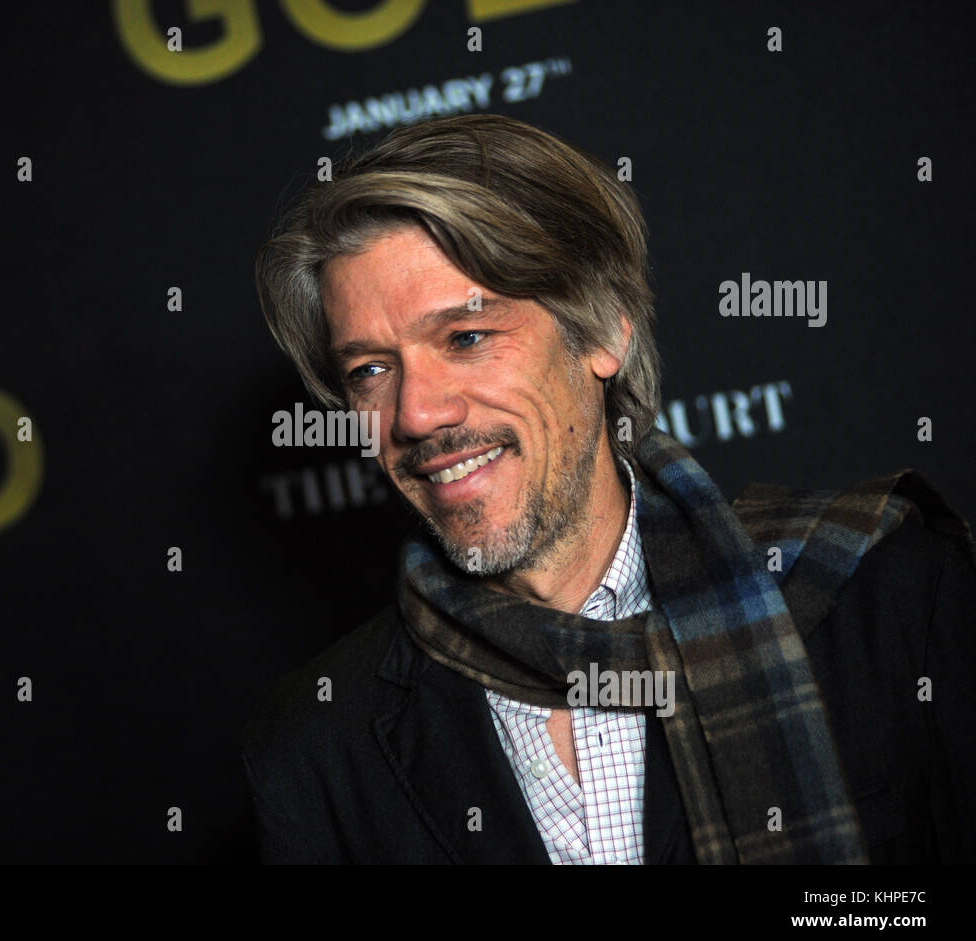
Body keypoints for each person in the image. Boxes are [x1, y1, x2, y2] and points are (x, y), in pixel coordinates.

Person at [244, 113, 975, 864]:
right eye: (370, 369)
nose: (417, 412)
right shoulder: (315, 747)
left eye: (466, 338)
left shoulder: (887, 597)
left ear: (602, 332)